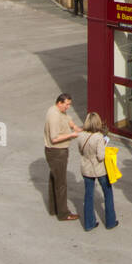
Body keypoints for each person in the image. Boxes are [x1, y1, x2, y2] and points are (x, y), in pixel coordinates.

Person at [43, 92, 83, 222]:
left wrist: (75, 127)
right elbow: (54, 138)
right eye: (67, 105)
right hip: (57, 152)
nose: (68, 107)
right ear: (59, 102)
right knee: (61, 183)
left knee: (54, 179)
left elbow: (67, 119)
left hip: (55, 151)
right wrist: (71, 135)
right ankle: (63, 213)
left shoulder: (57, 110)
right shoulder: (54, 116)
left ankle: (54, 208)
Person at [77, 112, 118, 231]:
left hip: (86, 168)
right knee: (108, 193)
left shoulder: (81, 135)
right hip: (99, 169)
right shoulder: (99, 137)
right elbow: (100, 156)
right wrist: (104, 145)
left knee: (88, 196)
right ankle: (110, 221)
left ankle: (89, 223)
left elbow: (80, 151)